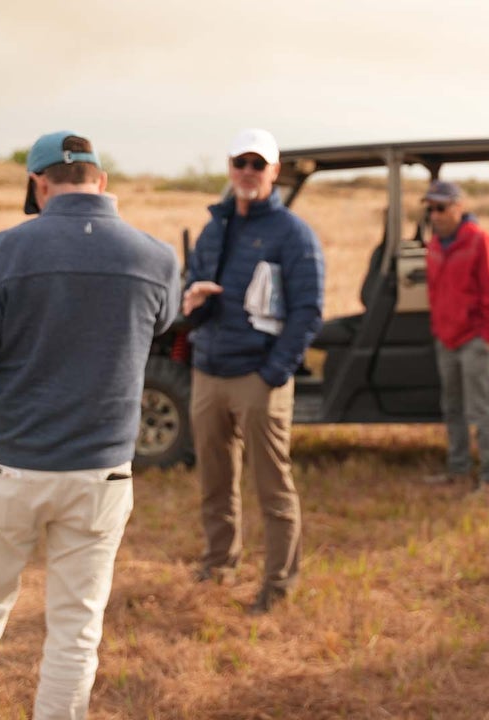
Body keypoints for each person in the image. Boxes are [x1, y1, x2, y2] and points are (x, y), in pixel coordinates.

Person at [0, 131, 180, 719]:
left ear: (39, 185)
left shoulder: (5, 252)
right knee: (76, 630)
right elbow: (163, 325)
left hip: (11, 464)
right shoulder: (156, 258)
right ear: (101, 180)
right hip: (102, 474)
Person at [183, 128, 324, 614]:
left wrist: (273, 372)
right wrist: (194, 300)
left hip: (258, 377)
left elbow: (308, 310)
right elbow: (196, 285)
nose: (247, 172)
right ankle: (218, 564)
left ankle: (278, 585)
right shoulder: (215, 227)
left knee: (272, 485)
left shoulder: (293, 234)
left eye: (257, 164)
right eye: (240, 163)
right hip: (208, 370)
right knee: (214, 480)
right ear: (229, 168)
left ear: (274, 171)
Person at [420, 180, 489, 490]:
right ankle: (458, 471)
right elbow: (436, 292)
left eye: (440, 207)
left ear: (458, 207)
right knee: (452, 407)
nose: (435, 214)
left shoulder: (479, 241)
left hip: (474, 340)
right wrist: (439, 329)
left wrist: (487, 337)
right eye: (430, 209)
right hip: (447, 338)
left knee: (479, 409)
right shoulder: (435, 244)